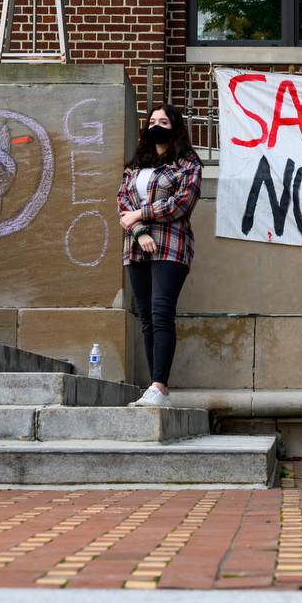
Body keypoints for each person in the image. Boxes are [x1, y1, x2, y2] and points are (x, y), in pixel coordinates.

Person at [117, 104, 203, 408]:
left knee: (162, 311)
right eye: (152, 121)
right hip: (136, 247)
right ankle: (157, 389)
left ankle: (159, 385)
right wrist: (140, 231)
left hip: (172, 246)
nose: (157, 125)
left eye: (163, 121)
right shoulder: (137, 165)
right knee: (146, 318)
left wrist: (140, 213)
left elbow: (181, 205)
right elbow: (122, 203)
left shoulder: (188, 164)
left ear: (175, 127)